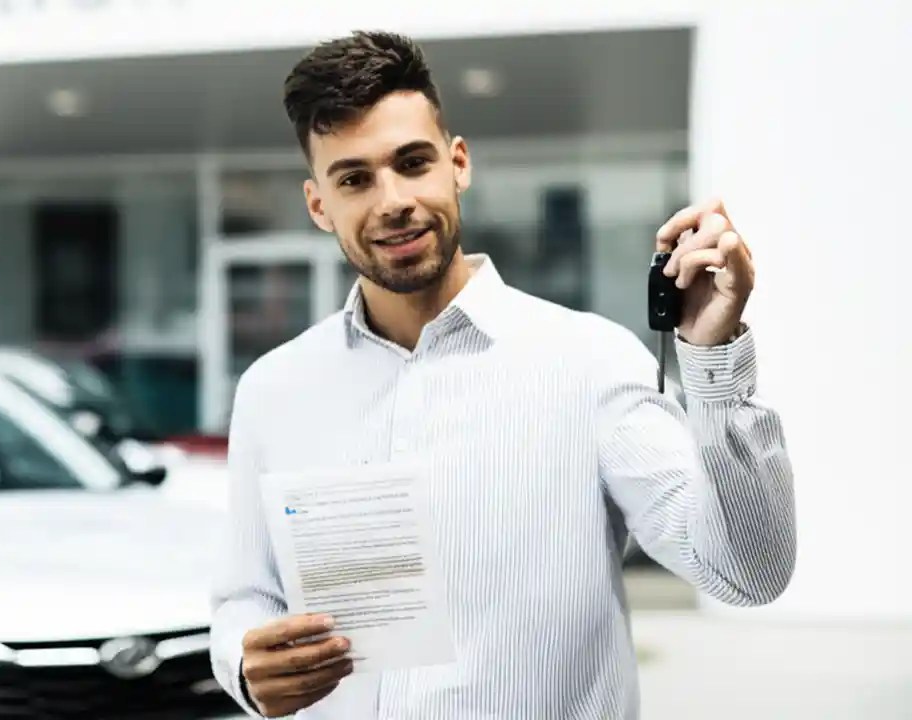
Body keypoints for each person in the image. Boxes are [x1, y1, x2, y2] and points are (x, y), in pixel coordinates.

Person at [208, 30, 796, 720]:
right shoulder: (276, 390)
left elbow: (748, 573)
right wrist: (244, 663)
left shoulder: (589, 364)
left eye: (412, 162)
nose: (392, 199)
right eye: (355, 178)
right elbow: (245, 596)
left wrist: (714, 360)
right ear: (318, 205)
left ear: (457, 163)